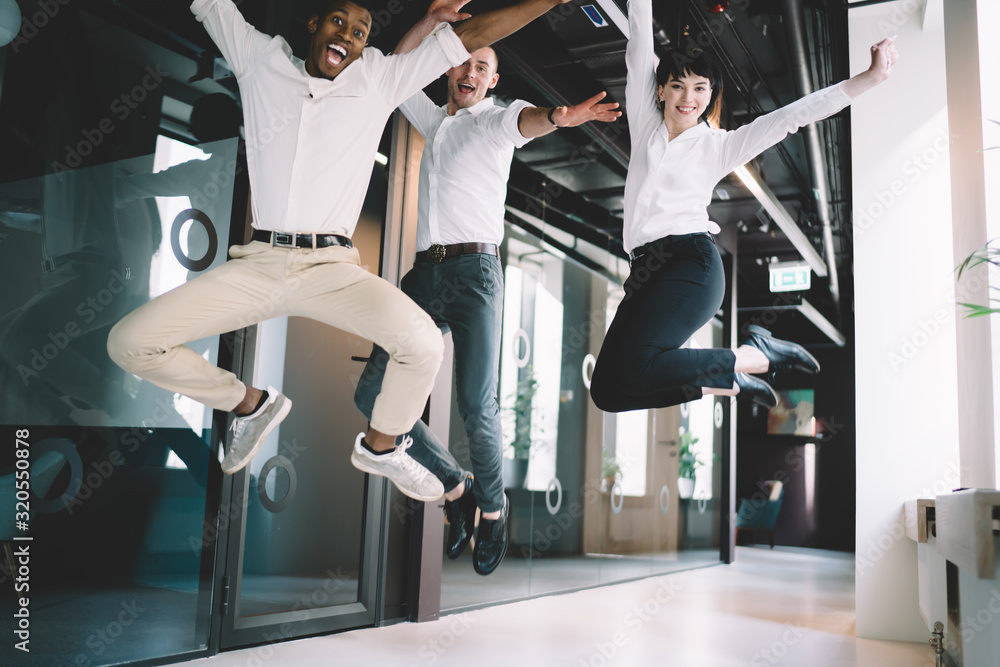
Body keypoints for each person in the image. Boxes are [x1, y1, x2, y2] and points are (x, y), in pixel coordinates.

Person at [107, 0, 576, 502]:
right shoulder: (260, 60)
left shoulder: (377, 80)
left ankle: (381, 446)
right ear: (314, 25)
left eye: (361, 30)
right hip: (259, 264)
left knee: (423, 343)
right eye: (339, 22)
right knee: (129, 342)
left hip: (330, 268)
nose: (348, 35)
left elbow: (471, 34)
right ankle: (247, 404)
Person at [354, 18, 620, 573]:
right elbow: (394, 75)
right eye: (463, 61)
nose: (470, 71)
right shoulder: (434, 118)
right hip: (423, 276)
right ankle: (455, 484)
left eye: (482, 66)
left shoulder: (495, 121)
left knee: (478, 405)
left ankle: (494, 513)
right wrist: (426, 27)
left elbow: (528, 121)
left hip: (476, 274)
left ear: (493, 80)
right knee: (371, 395)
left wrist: (561, 117)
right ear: (448, 67)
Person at [589, 0, 898, 412]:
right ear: (661, 89)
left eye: (701, 88)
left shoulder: (719, 145)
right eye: (679, 86)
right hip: (643, 271)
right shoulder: (646, 120)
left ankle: (757, 354)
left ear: (710, 95)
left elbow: (794, 116)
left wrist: (869, 78)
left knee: (636, 367)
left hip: (690, 265)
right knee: (607, 391)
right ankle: (727, 383)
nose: (688, 98)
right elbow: (640, 37)